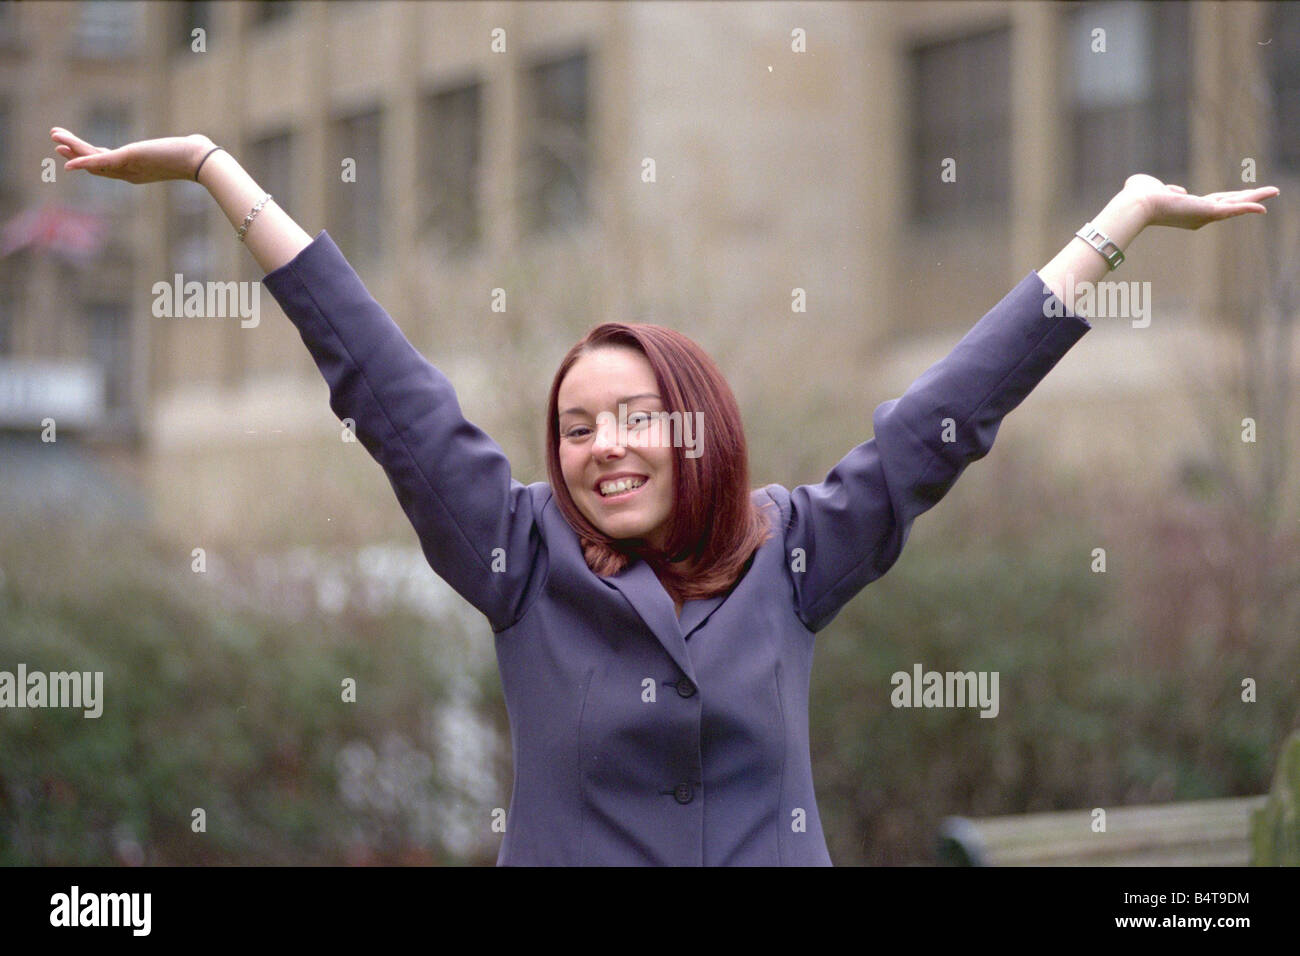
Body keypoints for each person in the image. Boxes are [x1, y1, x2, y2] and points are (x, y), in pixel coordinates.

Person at [50, 126, 1278, 865]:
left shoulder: (793, 550)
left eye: (635, 417)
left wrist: (1121, 221)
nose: (603, 447)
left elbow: (946, 417)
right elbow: (382, 380)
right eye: (576, 425)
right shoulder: (515, 552)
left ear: (698, 427)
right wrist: (220, 173)